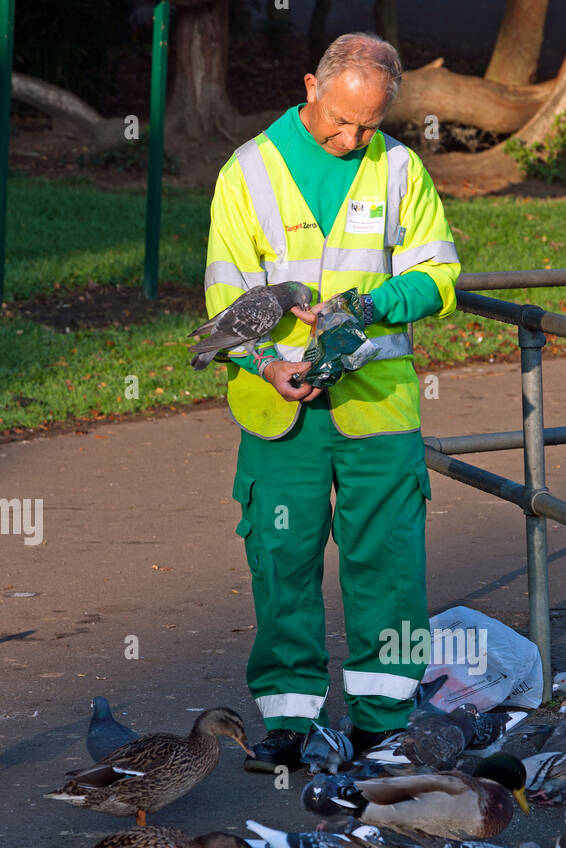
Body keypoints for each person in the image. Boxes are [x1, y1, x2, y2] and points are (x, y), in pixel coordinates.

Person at [204, 31, 460, 772]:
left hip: (377, 408)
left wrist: (372, 305)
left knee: (389, 565)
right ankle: (288, 722)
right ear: (310, 86)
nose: (352, 138)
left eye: (369, 126)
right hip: (278, 409)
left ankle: (383, 725)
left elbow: (439, 276)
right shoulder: (246, 173)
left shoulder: (402, 169)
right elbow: (225, 299)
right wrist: (263, 365)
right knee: (280, 558)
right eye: (341, 120)